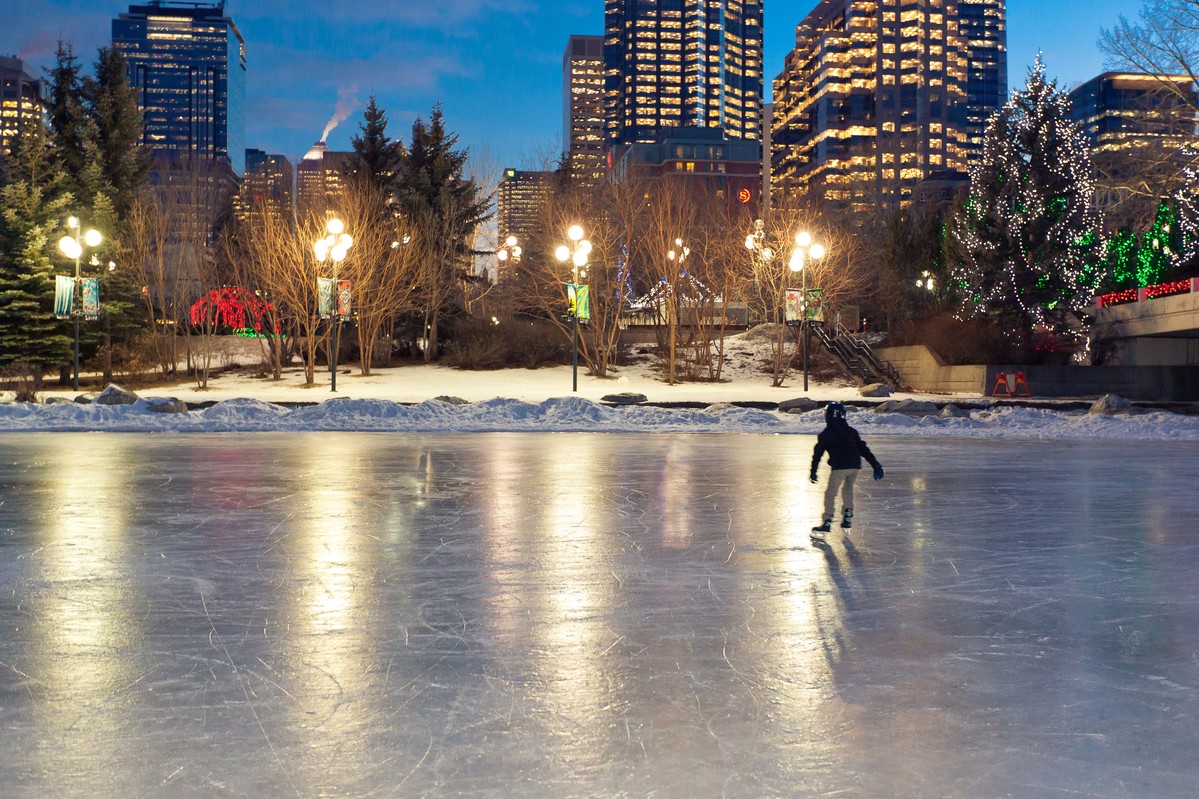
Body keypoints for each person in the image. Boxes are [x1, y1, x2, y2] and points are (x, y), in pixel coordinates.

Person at [809, 402, 883, 537]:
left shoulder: (826, 434)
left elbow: (817, 455)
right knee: (848, 490)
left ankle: (827, 521)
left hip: (839, 468)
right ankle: (848, 517)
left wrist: (813, 471)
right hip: (855, 466)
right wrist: (876, 465)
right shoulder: (851, 432)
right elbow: (863, 449)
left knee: (831, 493)